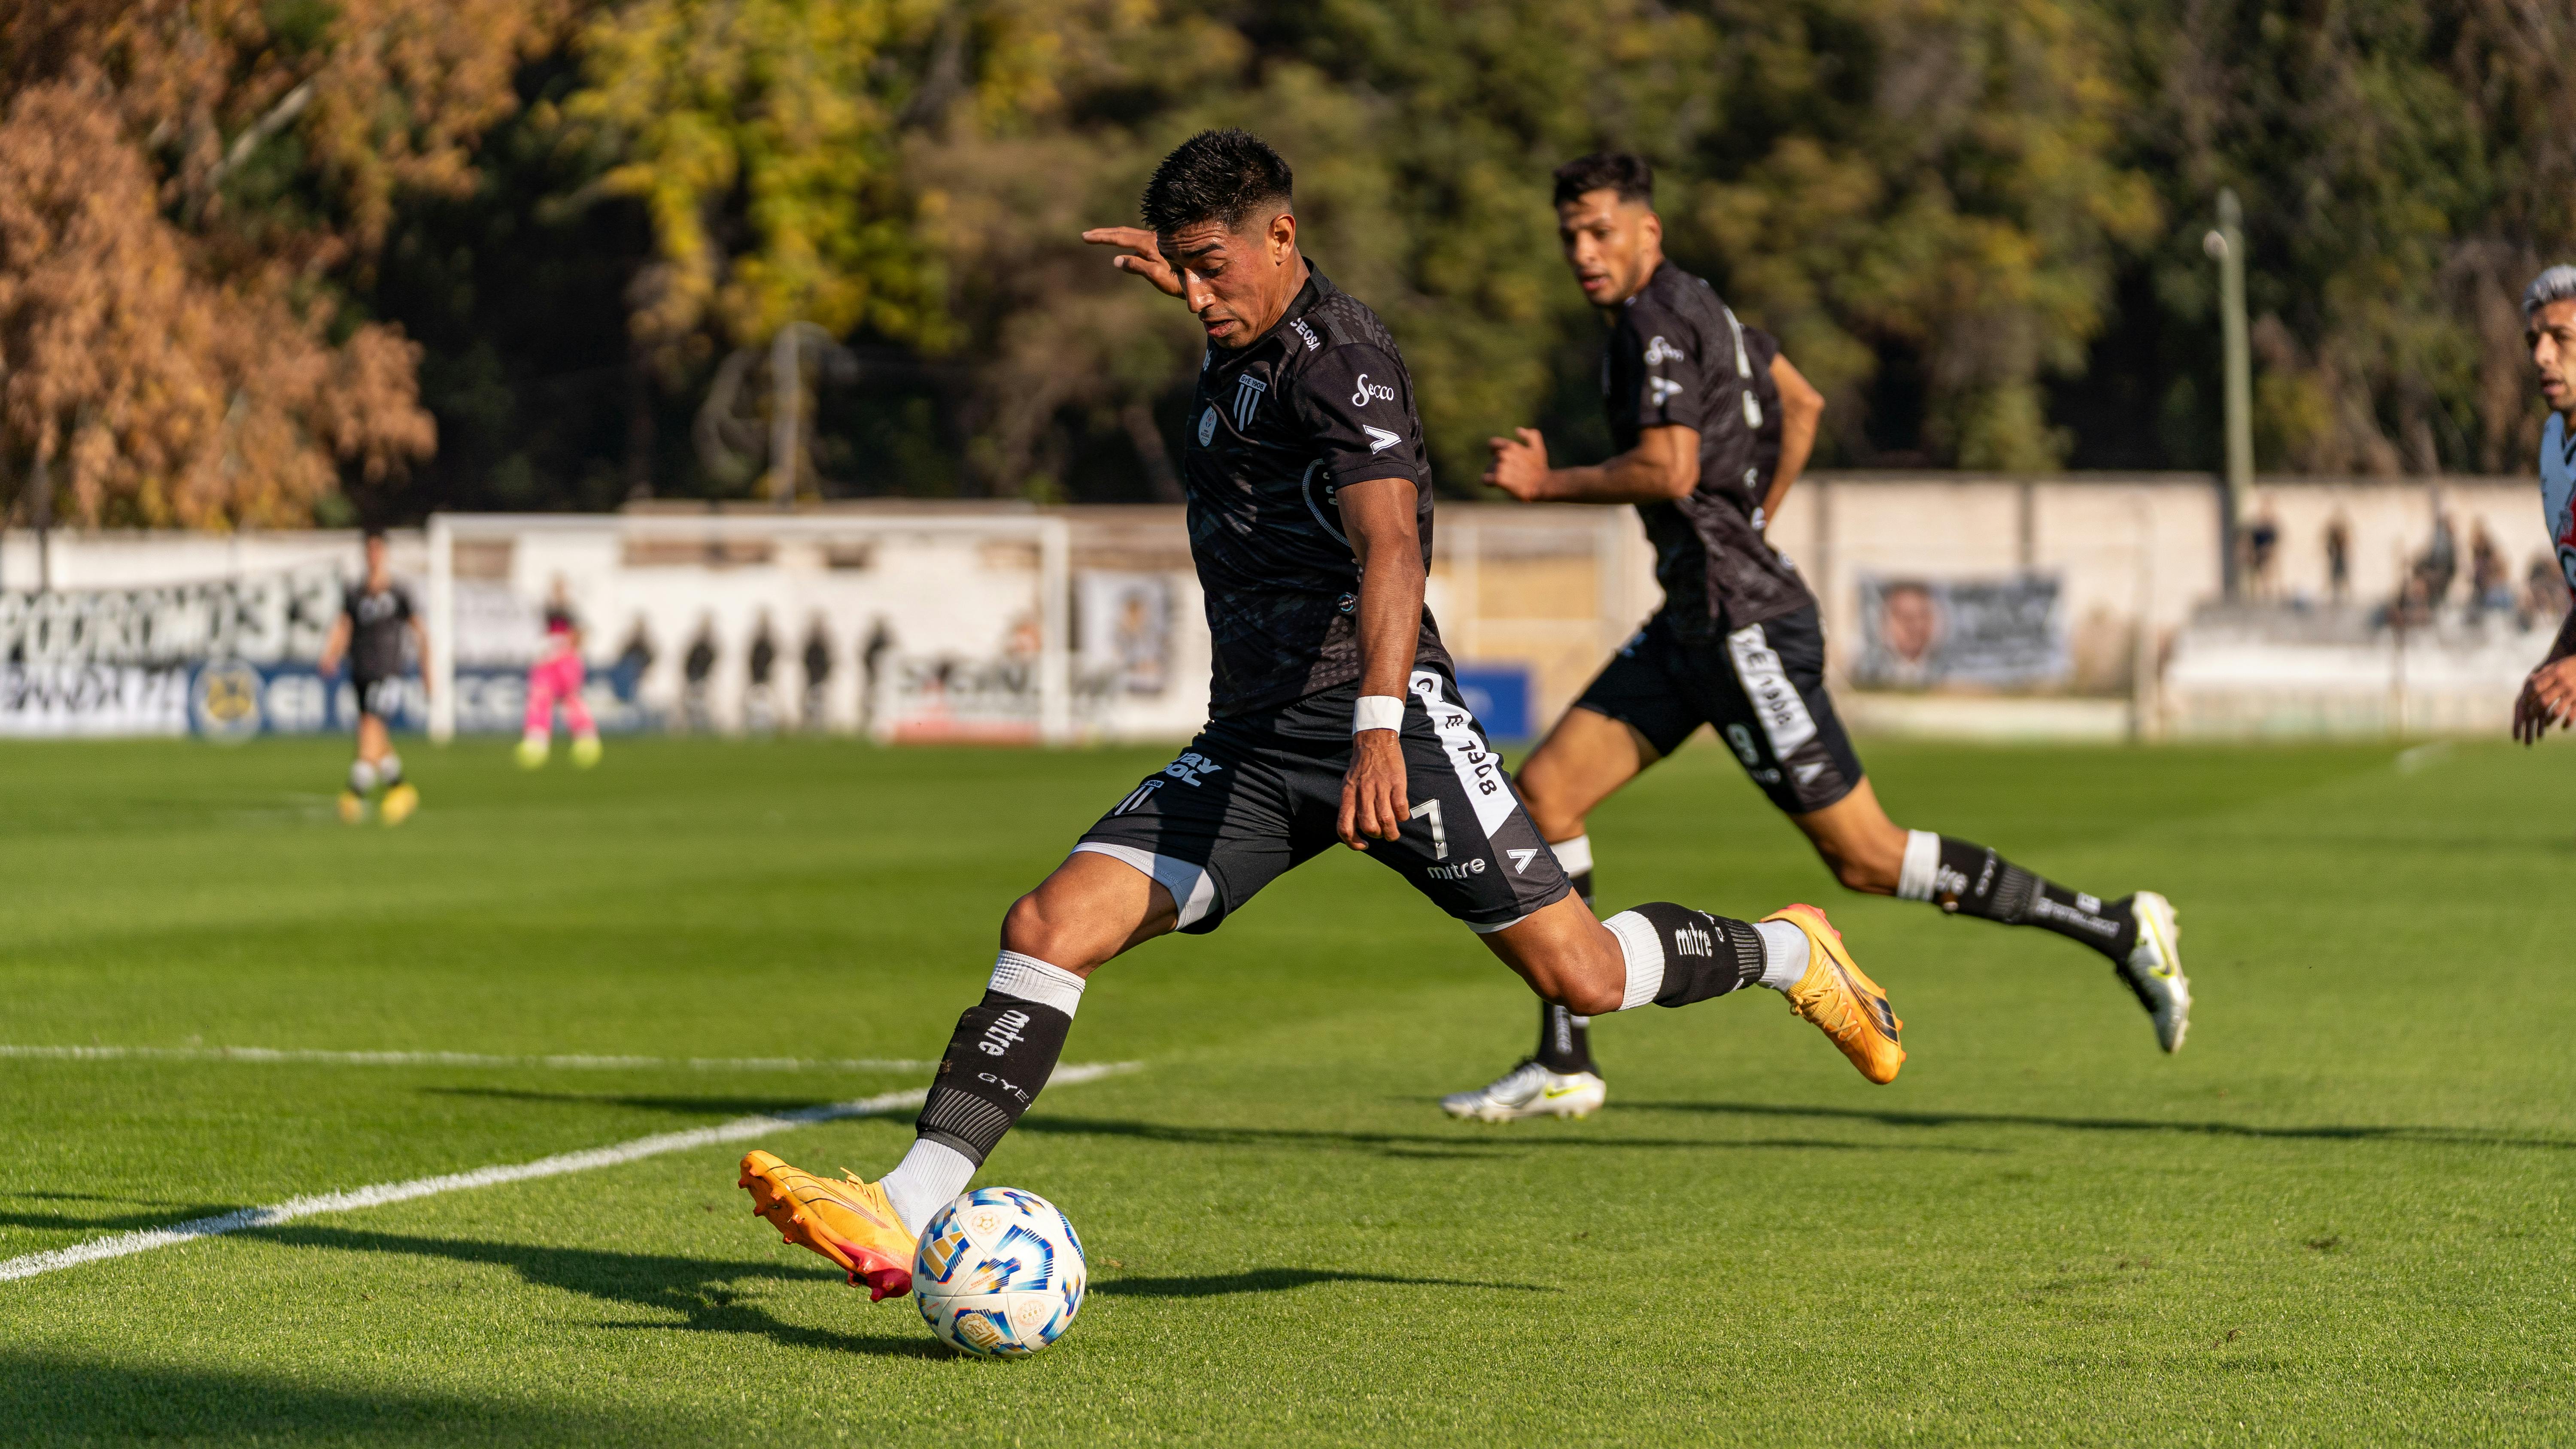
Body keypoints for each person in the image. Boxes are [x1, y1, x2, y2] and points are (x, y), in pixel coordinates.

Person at [736, 130, 1908, 1299]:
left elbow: (1391, 545)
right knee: (1048, 925)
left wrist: (1380, 727)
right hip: (1253, 745)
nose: (1198, 296)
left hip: (1386, 732)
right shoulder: (1240, 326)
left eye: (1215, 268)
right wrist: (1191, 273)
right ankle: (906, 1206)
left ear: (1283, 238)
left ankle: (1795, 951)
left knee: (1585, 978)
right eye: (1182, 270)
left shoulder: (1348, 363)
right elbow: (1244, 336)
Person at [1443, 152, 2187, 1124]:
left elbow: (1670, 470)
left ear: (1646, 232)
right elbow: (1803, 403)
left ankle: (2119, 926)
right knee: (1546, 792)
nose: (1583, 252)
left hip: (1742, 628)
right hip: (1696, 624)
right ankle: (1565, 1058)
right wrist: (1757, 515)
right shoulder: (1708, 309)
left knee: (1867, 858)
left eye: (1599, 231)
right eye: (1569, 237)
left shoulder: (1655, 324)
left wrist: (1549, 486)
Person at [316, 530, 429, 826]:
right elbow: (344, 625)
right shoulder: (356, 593)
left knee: (371, 725)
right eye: (370, 551)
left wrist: (428, 672)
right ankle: (401, 788)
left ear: (386, 554)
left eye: (379, 550)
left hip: (389, 670)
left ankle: (355, 793)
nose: (374, 556)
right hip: (361, 670)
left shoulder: (400, 592)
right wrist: (331, 653)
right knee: (373, 732)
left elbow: (420, 632)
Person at [2513, 265, 2576, 745]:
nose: (2542, 355)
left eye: (2561, 337)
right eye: (2535, 339)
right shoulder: (2554, 444)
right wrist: (2557, 660)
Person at [517, 578, 601, 768]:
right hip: (548, 661)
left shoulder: (572, 612)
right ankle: (537, 740)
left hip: (565, 661)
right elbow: (541, 634)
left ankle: (586, 737)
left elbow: (581, 634)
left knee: (571, 700)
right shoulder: (547, 610)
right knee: (540, 698)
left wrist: (569, 648)